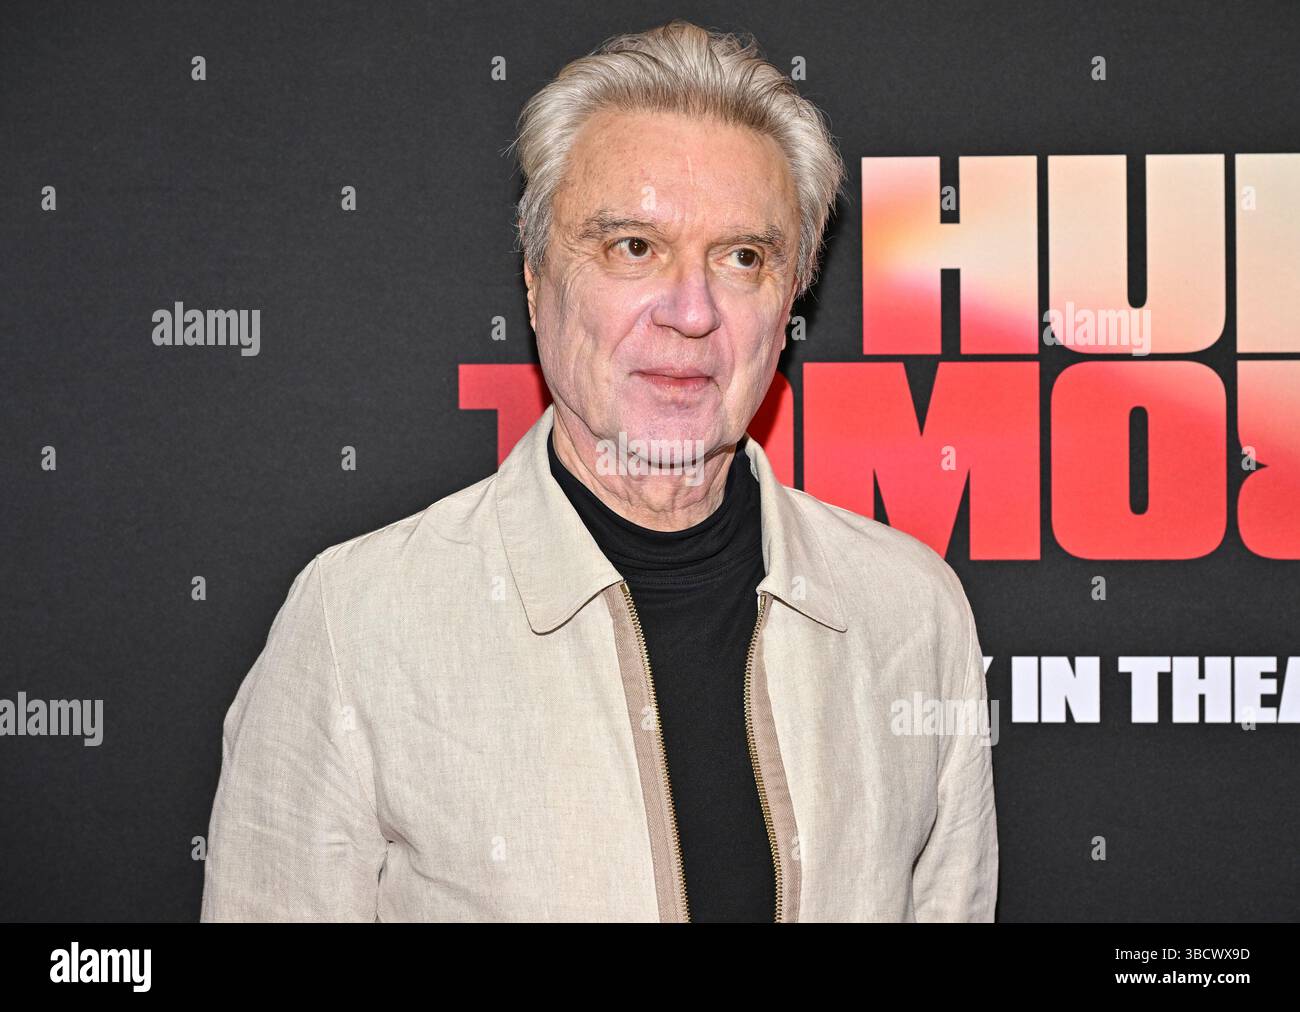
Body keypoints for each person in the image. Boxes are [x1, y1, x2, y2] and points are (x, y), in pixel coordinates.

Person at [200, 18, 997, 923]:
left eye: (743, 257)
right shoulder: (357, 625)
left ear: (790, 302)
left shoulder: (911, 614)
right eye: (633, 248)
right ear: (536, 278)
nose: (691, 312)